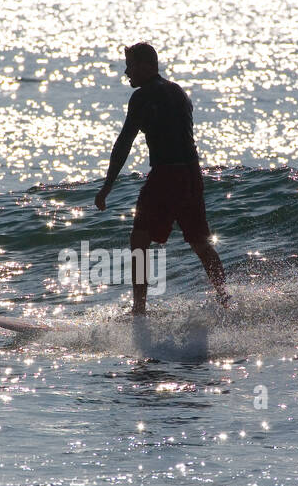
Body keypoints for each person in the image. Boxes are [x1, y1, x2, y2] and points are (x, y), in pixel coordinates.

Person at [94, 42, 229, 315]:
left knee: (140, 239)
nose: (126, 72)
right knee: (200, 241)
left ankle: (139, 309)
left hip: (166, 174)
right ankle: (225, 296)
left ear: (147, 66)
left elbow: (124, 143)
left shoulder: (143, 96)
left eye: (130, 66)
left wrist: (107, 187)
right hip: (192, 173)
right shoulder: (178, 92)